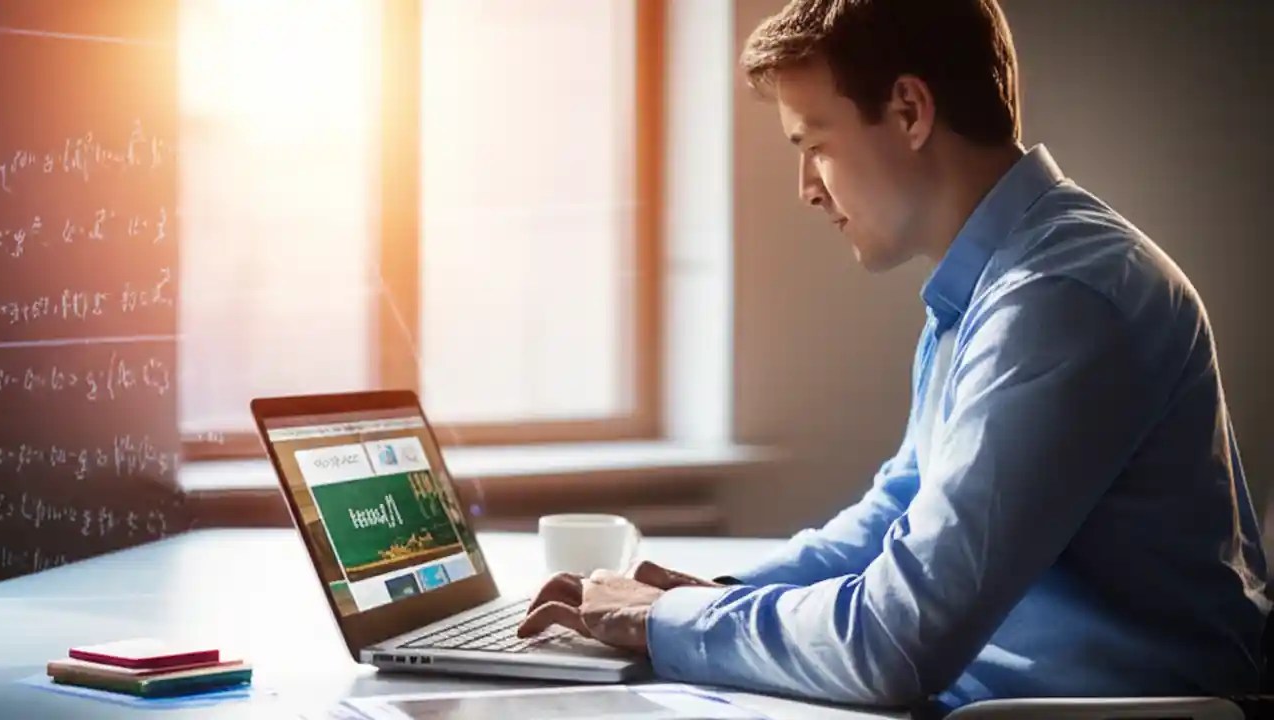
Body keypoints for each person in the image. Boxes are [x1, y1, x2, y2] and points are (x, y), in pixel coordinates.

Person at [517, 0, 1270, 710]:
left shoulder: (1060, 300)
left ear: (909, 111)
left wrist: (666, 622)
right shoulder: (992, 285)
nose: (806, 188)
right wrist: (707, 595)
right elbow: (895, 515)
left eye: (813, 145)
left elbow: (895, 643)